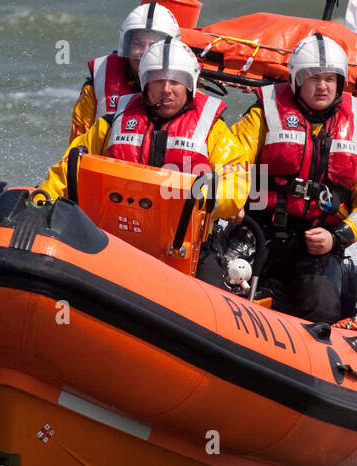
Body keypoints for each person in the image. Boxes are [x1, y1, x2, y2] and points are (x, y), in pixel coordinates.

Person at [42, 39, 247, 284]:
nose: (167, 89)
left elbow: (237, 177)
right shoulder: (112, 121)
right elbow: (68, 168)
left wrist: (207, 196)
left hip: (186, 247)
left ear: (190, 84)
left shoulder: (212, 129)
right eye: (158, 80)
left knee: (214, 294)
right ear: (145, 83)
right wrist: (43, 199)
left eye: (175, 81)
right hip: (112, 239)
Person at [232, 32, 357, 323]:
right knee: (221, 282)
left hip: (317, 245)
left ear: (340, 83)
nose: (322, 86)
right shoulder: (263, 116)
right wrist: (232, 202)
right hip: (255, 230)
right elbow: (233, 161)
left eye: (330, 79)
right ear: (296, 81)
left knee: (321, 307)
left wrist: (337, 237)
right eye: (313, 78)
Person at [67, 2, 182, 141]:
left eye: (154, 45)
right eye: (138, 44)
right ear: (126, 46)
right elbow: (77, 144)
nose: (146, 53)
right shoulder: (98, 81)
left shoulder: (184, 90)